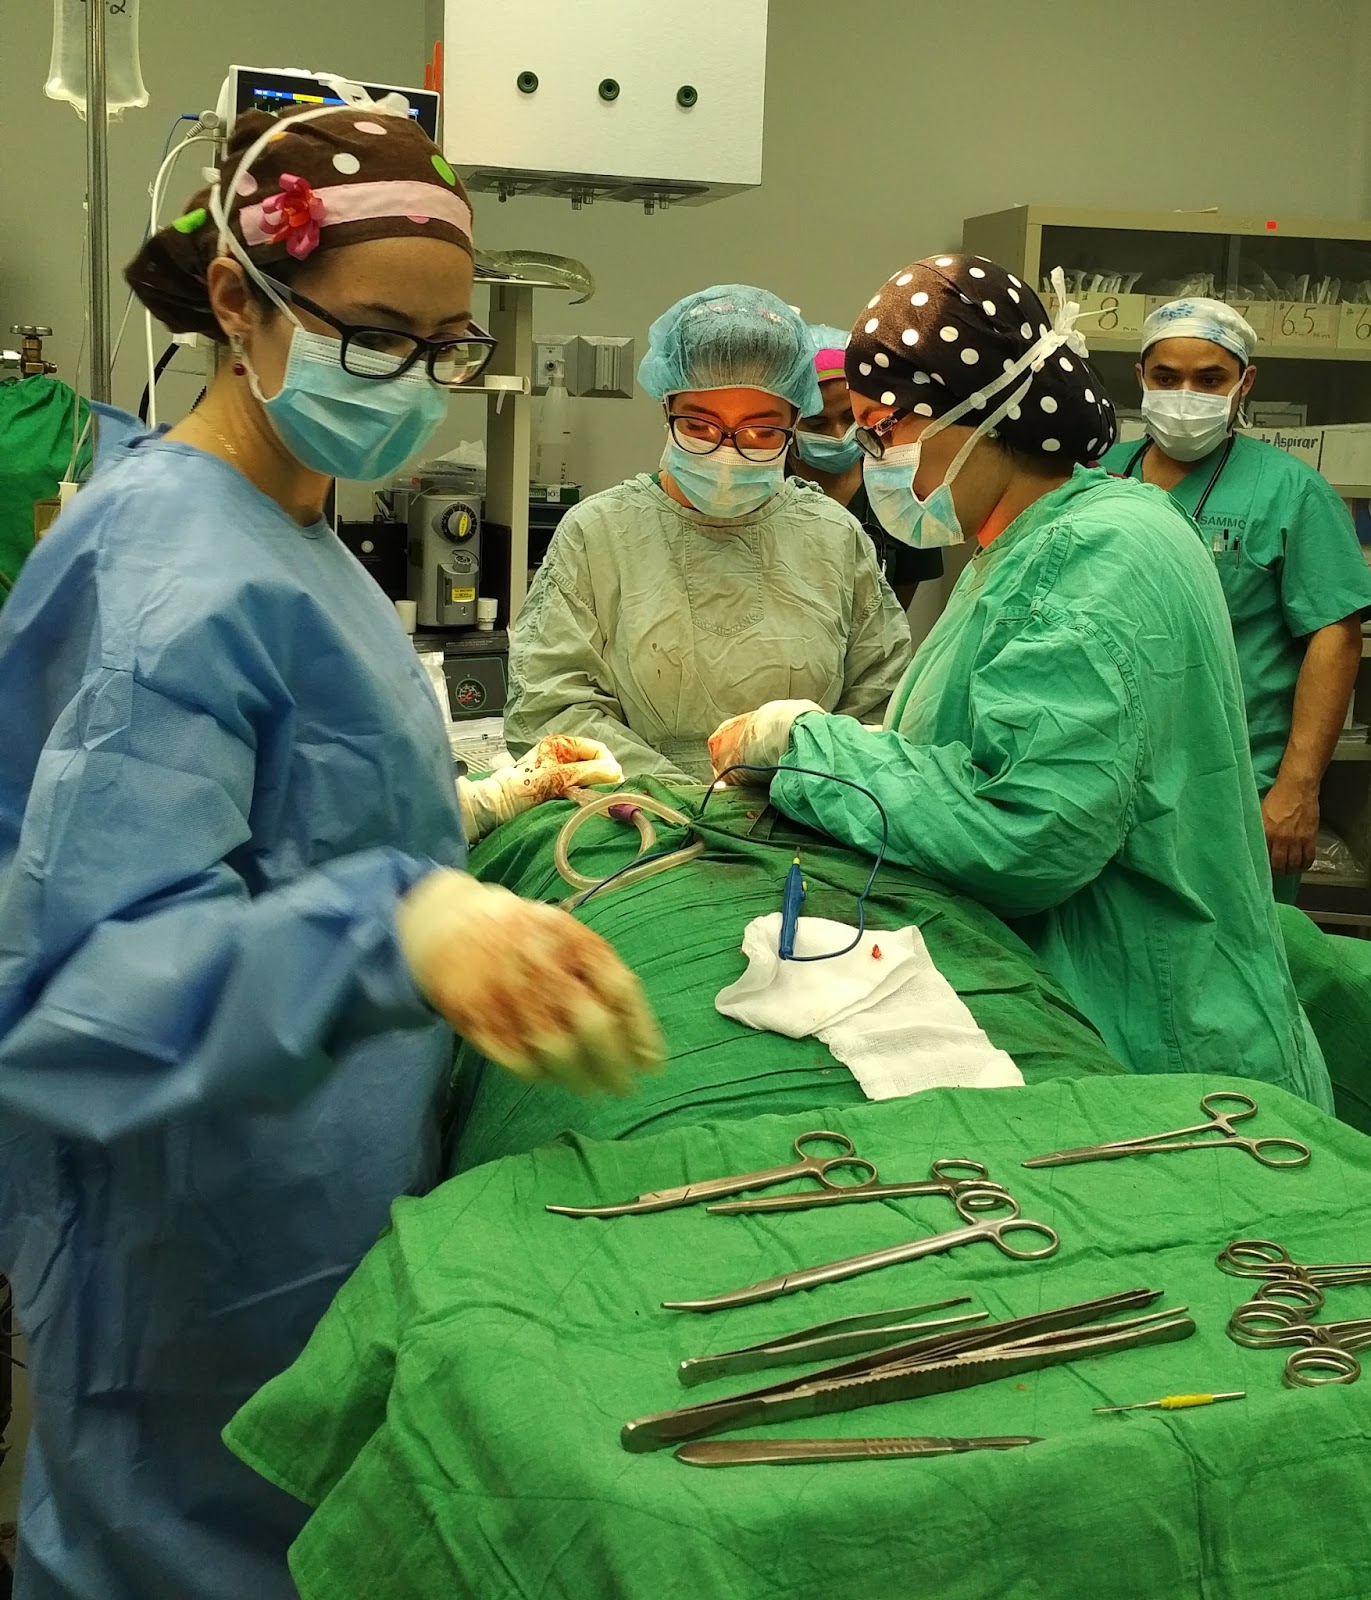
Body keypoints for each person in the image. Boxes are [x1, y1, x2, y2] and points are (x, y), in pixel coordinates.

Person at [0, 105, 660, 1600]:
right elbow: (77, 990)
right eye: (374, 334)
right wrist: (398, 933)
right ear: (237, 301)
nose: (414, 381)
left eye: (444, 348)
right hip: (191, 1267)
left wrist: (467, 846)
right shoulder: (167, 566)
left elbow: (311, 812)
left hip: (306, 1206)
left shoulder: (295, 528)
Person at [709, 254, 1331, 1109]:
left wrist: (804, 747)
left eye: (885, 429)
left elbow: (1025, 833)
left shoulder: (1095, 554)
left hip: (1159, 1065)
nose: (873, 457)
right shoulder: (1033, 539)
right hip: (1109, 1026)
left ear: (981, 414)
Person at [503, 286, 912, 783]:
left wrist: (800, 791)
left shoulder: (832, 537)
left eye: (761, 432)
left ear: (794, 426)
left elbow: (881, 703)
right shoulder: (599, 534)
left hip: (804, 820)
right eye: (700, 425)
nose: (727, 453)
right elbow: (552, 709)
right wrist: (686, 801)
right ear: (666, 410)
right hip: (631, 819)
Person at [1102, 298, 1371, 900]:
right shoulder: (1101, 476)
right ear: (1139, 377)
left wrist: (1299, 787)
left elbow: (1336, 637)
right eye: (1166, 378)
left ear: (1244, 383)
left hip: (1239, 785)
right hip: (1110, 773)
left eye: (1210, 379)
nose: (1185, 394)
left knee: (1234, 965)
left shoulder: (1291, 491)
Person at [790, 322, 944, 607]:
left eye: (850, 417)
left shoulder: (903, 485)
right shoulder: (769, 486)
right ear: (790, 421)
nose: (838, 435)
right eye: (816, 422)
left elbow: (897, 611)